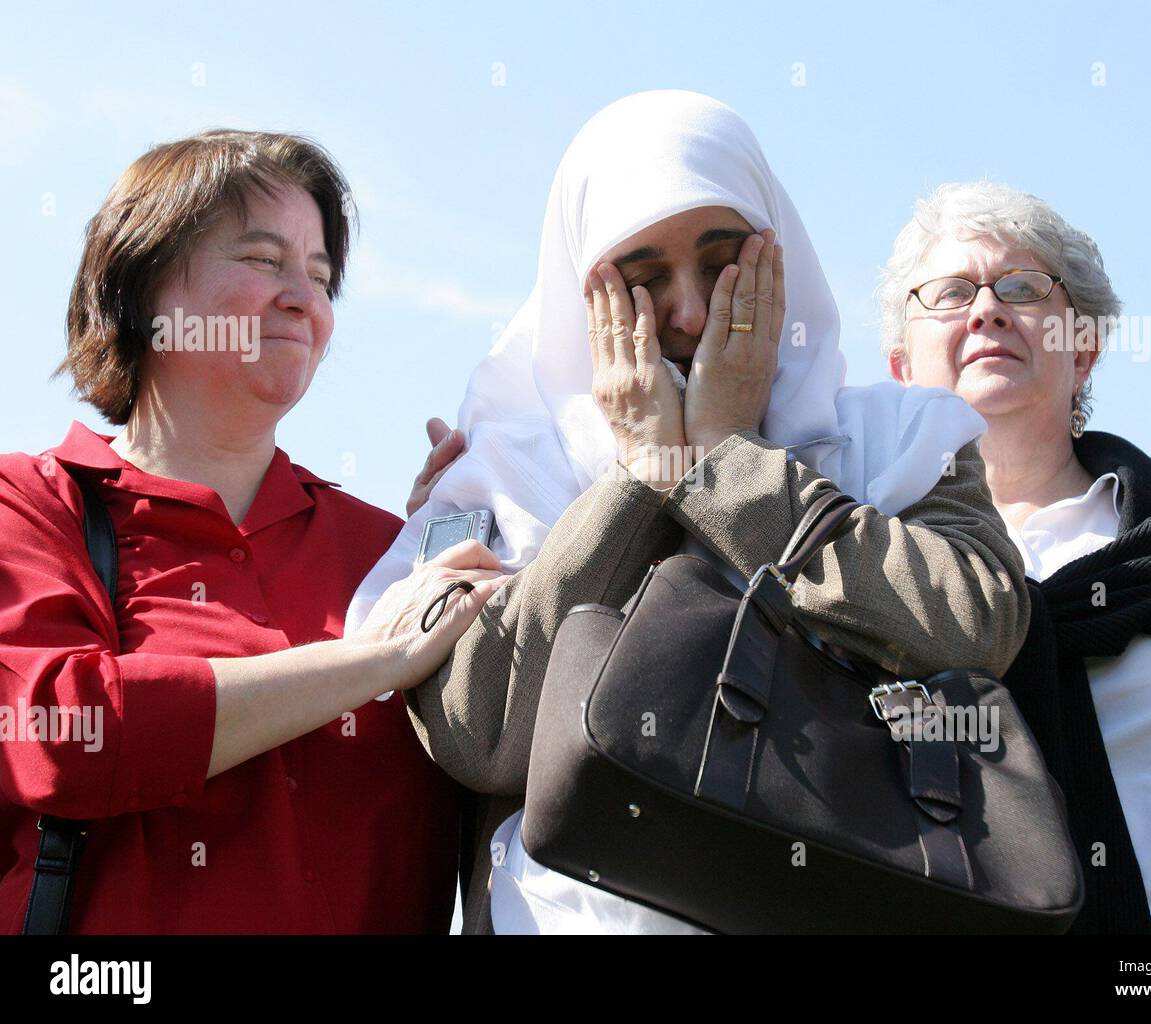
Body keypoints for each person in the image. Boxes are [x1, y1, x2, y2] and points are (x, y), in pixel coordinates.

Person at [349, 92, 1031, 933]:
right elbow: (478, 734)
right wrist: (643, 472)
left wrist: (727, 461)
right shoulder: (494, 475)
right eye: (642, 280)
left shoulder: (902, 439)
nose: (691, 313)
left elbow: (973, 625)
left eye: (722, 264)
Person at [0, 130, 504, 933]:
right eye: (264, 261)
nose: (304, 298)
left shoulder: (392, 557)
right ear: (141, 285)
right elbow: (59, 731)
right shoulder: (31, 505)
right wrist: (372, 661)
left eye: (320, 275)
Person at [879, 180, 1151, 933]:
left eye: (1023, 286)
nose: (986, 309)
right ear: (902, 369)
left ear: (1084, 349)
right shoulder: (872, 564)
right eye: (948, 293)